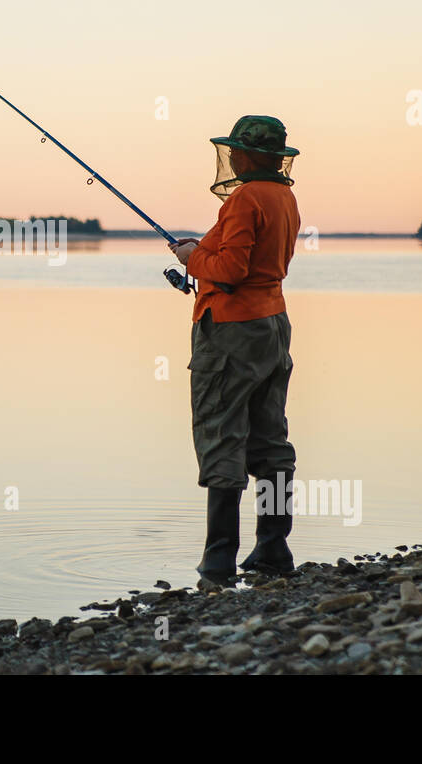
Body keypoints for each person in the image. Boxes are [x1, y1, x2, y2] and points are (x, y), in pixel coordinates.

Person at [169, 115, 301, 591]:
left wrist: (190, 259)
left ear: (246, 154)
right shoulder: (283, 196)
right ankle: (273, 550)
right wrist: (199, 247)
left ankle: (218, 564)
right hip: (273, 326)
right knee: (269, 440)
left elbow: (229, 269)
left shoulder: (246, 197)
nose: (233, 157)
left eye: (237, 150)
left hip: (231, 331)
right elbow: (241, 254)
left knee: (221, 434)